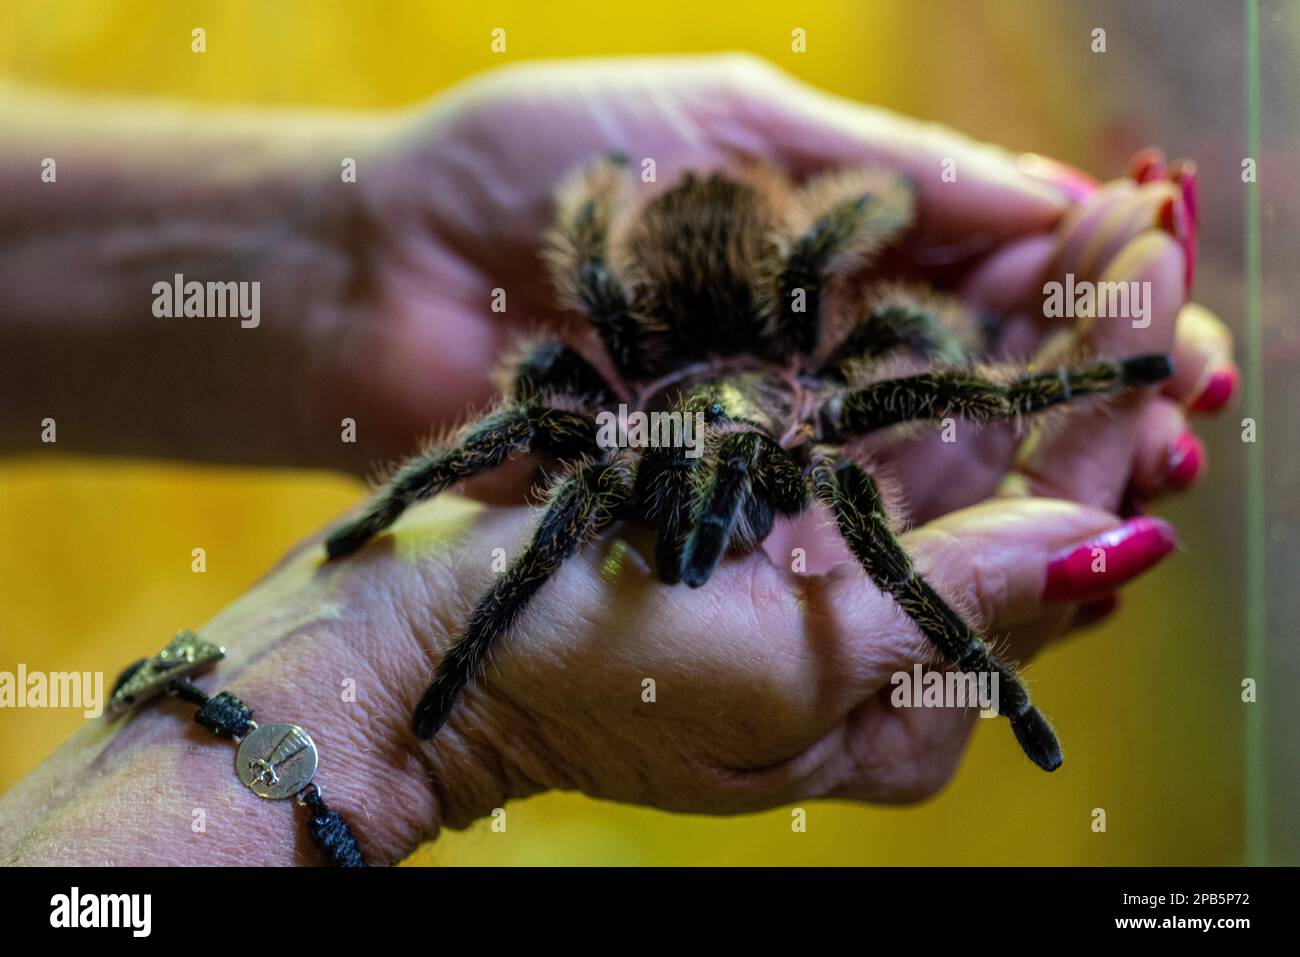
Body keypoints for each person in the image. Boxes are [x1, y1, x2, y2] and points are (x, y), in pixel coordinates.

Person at [0, 56, 1236, 865]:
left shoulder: (820, 403)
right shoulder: (609, 428)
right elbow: (541, 384)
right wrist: (446, 685)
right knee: (559, 459)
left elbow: (938, 356)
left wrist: (1066, 381)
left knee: (928, 395)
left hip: (764, 357)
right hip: (681, 360)